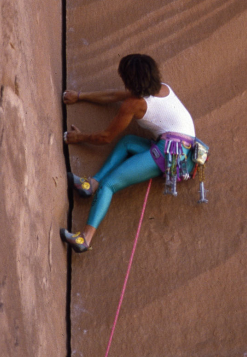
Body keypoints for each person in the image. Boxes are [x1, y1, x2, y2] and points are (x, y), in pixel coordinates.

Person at [60, 53, 195, 253]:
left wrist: (81, 137)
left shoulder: (134, 104)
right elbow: (114, 96)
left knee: (110, 185)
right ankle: (91, 184)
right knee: (128, 142)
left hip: (170, 154)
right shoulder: (162, 88)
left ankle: (85, 238)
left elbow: (106, 137)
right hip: (181, 151)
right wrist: (81, 96)